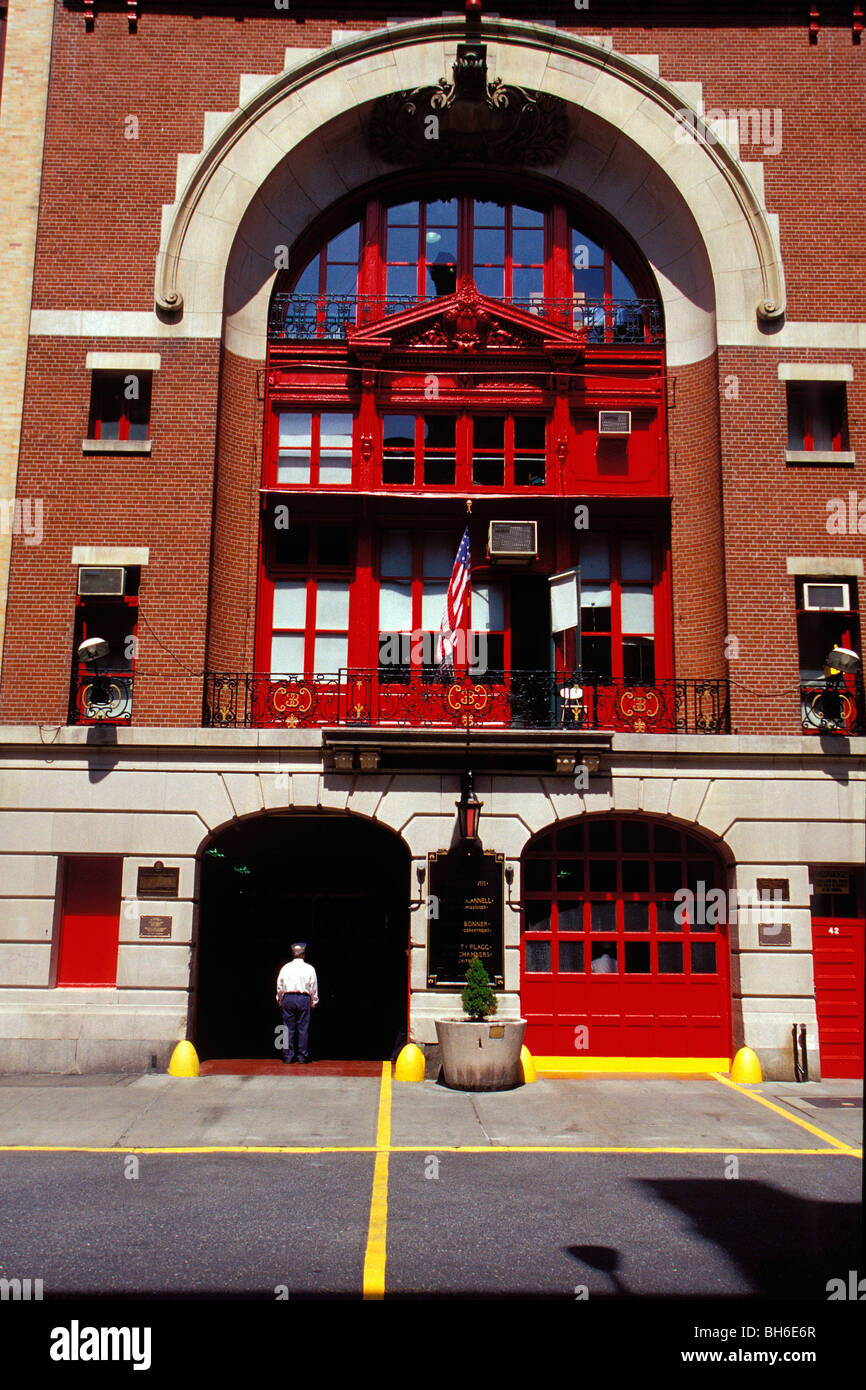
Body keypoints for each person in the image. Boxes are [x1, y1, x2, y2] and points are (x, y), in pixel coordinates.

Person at [276, 942, 319, 1064]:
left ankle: (287, 1056)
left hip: (288, 998)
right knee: (303, 1028)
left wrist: (280, 999)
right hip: (303, 998)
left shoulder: (285, 968)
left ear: (293, 955)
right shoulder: (309, 968)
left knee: (286, 1028)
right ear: (303, 955)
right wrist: (314, 999)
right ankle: (302, 1056)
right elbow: (313, 986)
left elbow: (280, 985)